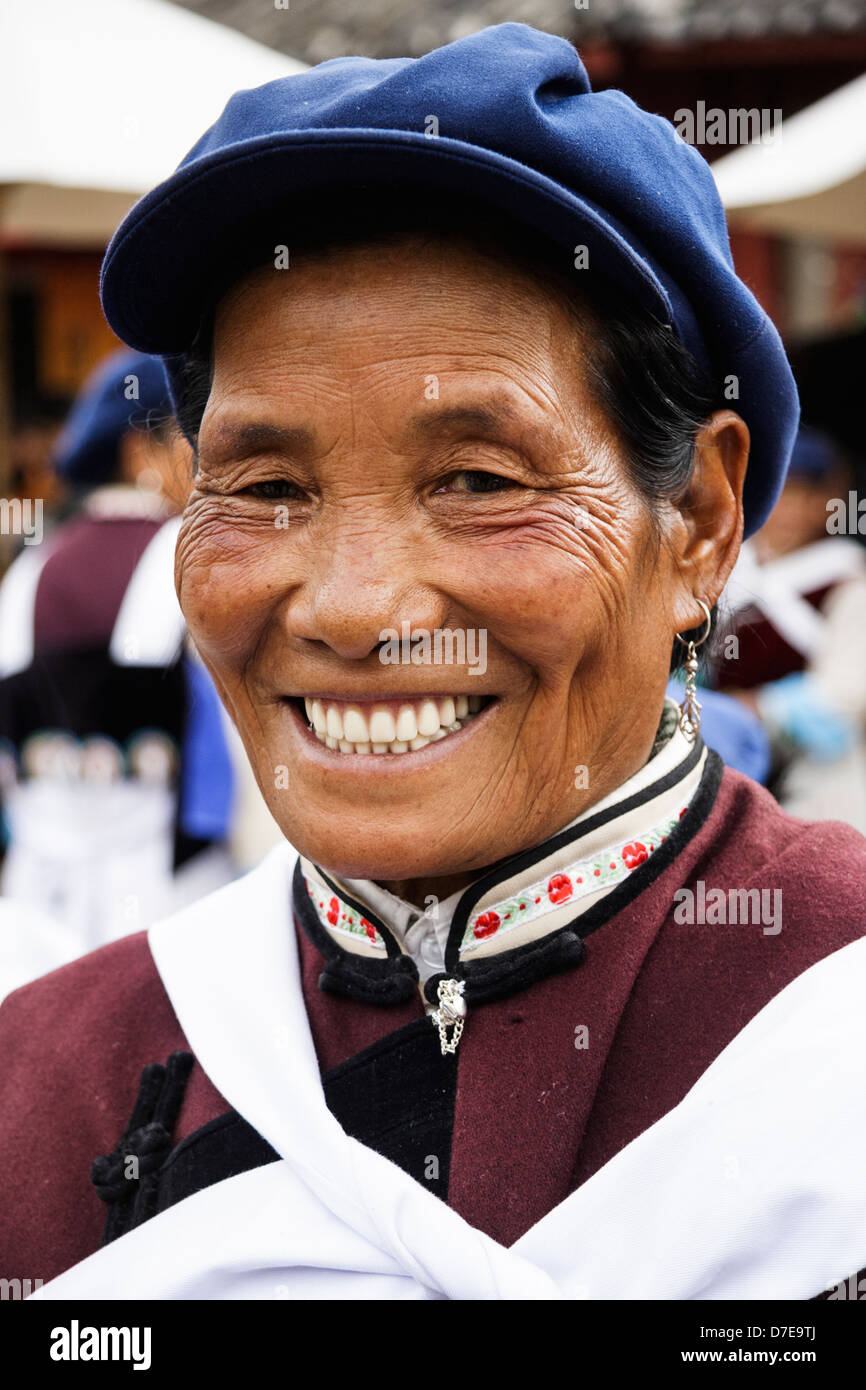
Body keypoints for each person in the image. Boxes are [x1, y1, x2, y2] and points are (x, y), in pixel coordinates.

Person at [3, 23, 866, 1301]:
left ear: (694, 521)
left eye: (475, 479)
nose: (352, 610)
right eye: (266, 484)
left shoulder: (826, 1012)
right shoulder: (50, 1082)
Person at [0, 350, 237, 971]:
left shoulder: (26, 571)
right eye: (195, 443)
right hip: (179, 918)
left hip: (35, 915)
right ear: (141, 453)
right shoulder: (184, 558)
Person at [714, 425, 866, 829]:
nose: (784, 508)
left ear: (827, 501)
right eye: (774, 490)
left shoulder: (849, 582)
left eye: (799, 493)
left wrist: (748, 709)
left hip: (815, 781)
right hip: (718, 770)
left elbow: (841, 698)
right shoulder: (722, 570)